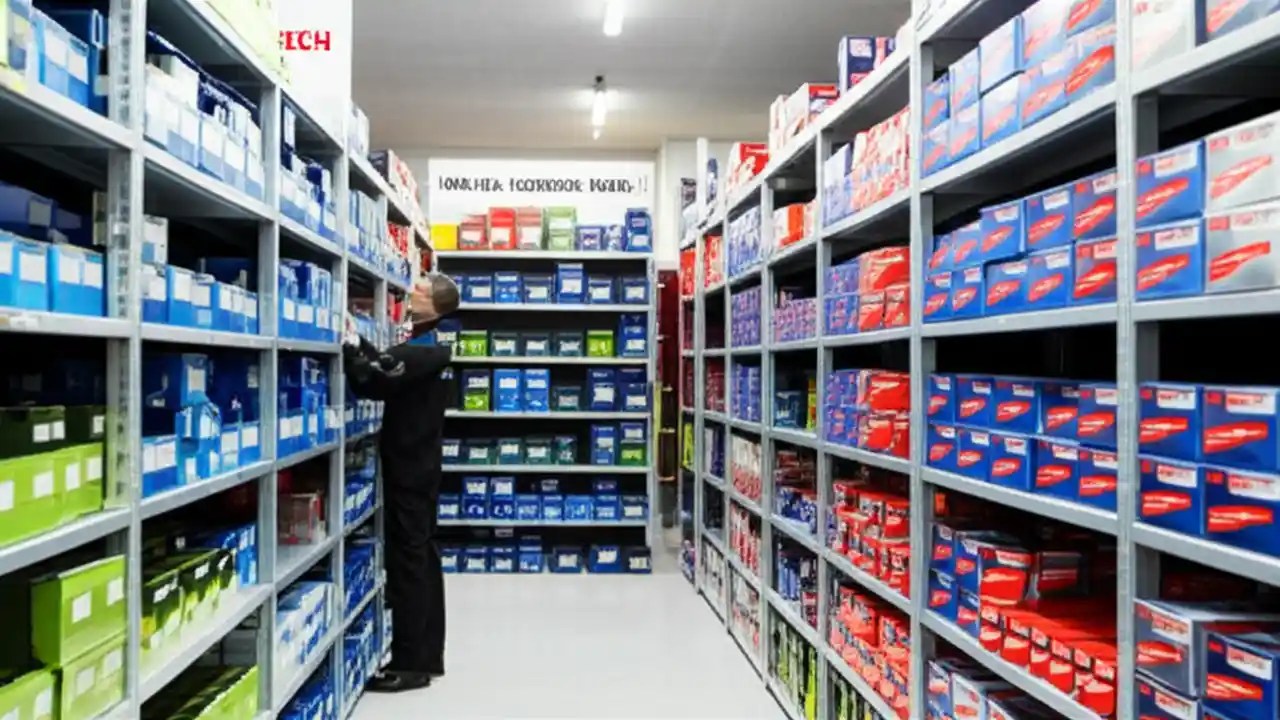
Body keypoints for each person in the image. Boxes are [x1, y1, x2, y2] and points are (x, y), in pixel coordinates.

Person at [342, 272, 460, 692]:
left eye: (421, 290)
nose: (412, 292)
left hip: (411, 470)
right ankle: (428, 655)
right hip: (420, 466)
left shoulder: (430, 351)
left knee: (409, 563)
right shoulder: (429, 347)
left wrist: (348, 351)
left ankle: (411, 664)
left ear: (436, 304)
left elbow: (373, 381)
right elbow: (393, 364)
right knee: (422, 558)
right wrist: (361, 344)